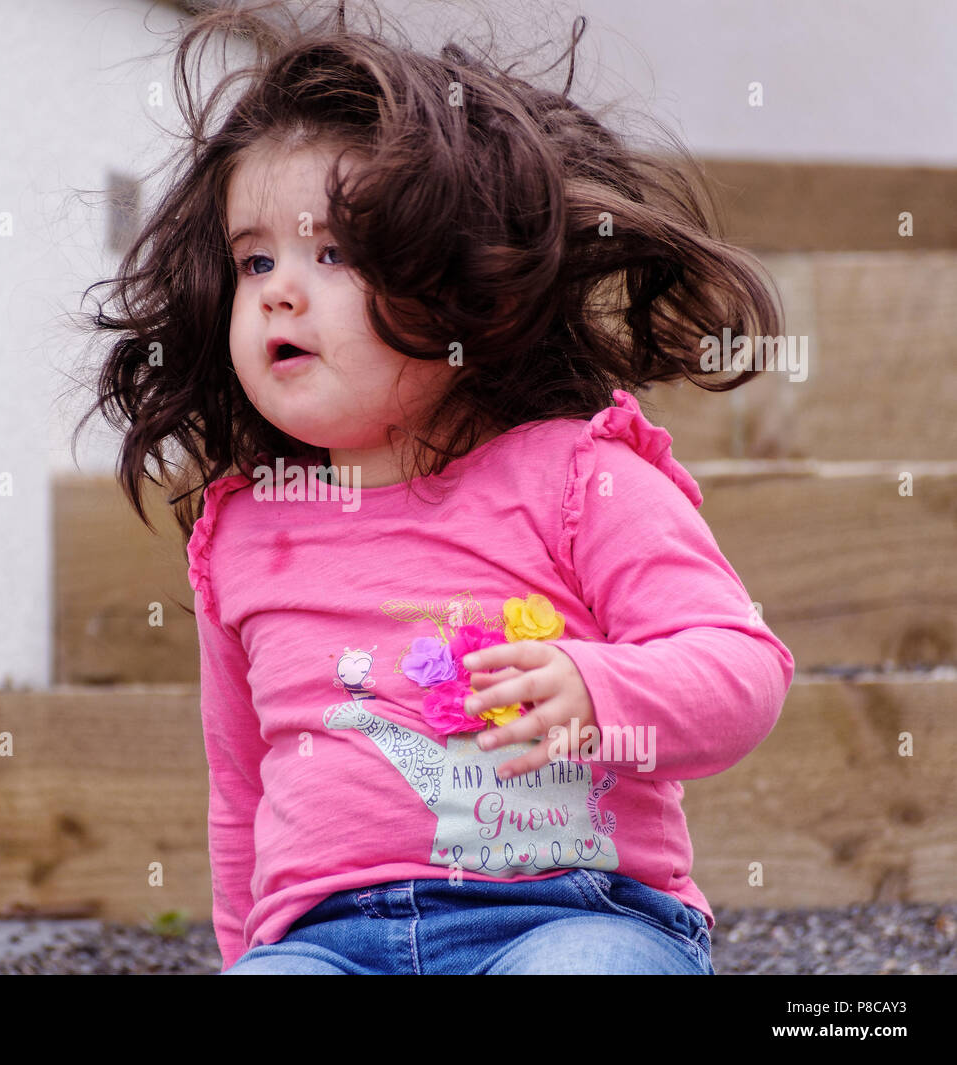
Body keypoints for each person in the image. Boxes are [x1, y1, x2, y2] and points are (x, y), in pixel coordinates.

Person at [75, 0, 795, 974]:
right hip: (330, 942)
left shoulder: (580, 477)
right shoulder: (245, 533)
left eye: (331, 253)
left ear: (462, 284)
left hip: (573, 915)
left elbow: (742, 673)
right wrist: (252, 957)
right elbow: (240, 789)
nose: (280, 289)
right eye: (254, 259)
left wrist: (599, 691)